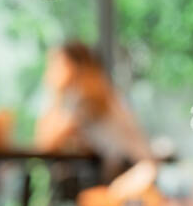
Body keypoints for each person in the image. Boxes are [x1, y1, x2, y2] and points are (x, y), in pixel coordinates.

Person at [35, 41, 151, 171]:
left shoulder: (85, 97)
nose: (49, 71)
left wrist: (54, 92)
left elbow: (46, 142)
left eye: (55, 64)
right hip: (132, 165)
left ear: (72, 65)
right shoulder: (99, 90)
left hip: (131, 167)